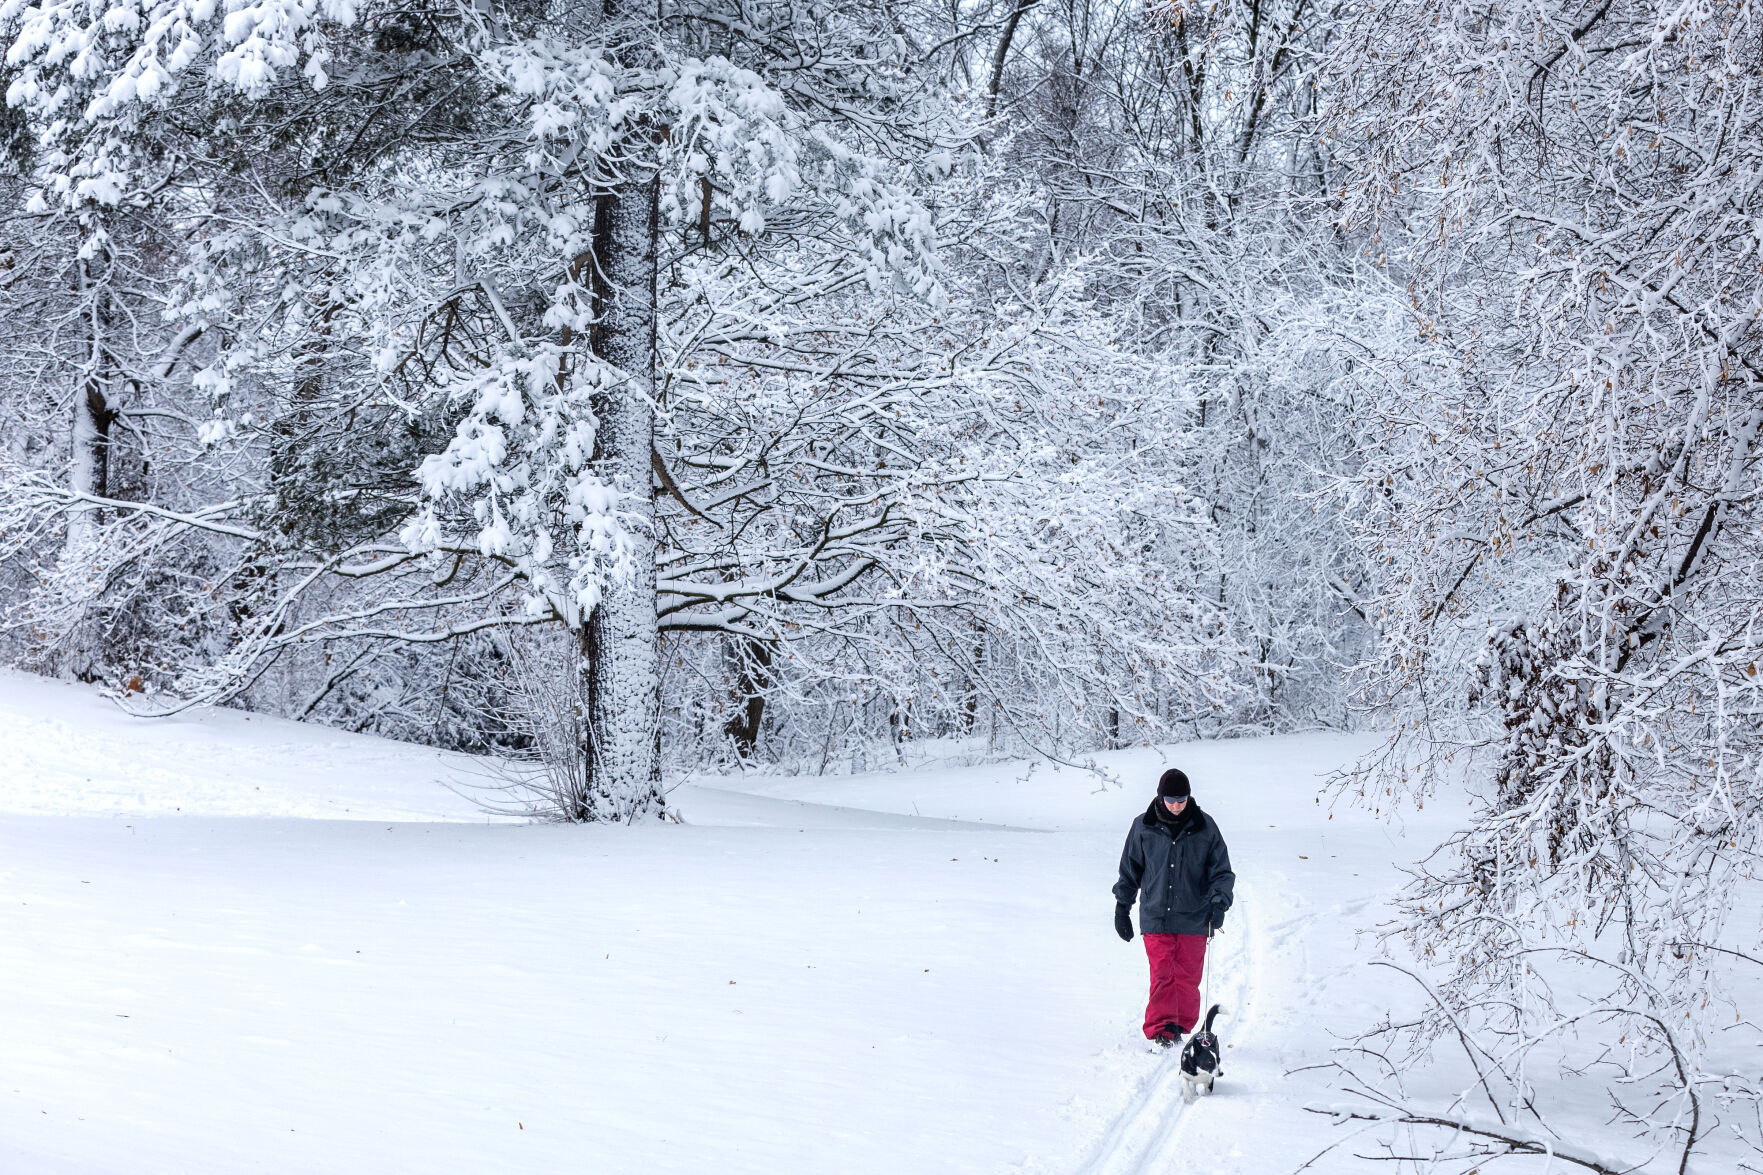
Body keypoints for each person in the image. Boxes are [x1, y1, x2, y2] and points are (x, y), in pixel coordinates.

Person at [1112, 767, 1234, 1046]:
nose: (1177, 806)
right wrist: (1122, 908)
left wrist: (1219, 902)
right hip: (1156, 914)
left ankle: (1179, 1024)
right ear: (1160, 797)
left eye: (1182, 800)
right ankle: (1162, 1029)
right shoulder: (1143, 826)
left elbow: (1221, 871)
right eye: (1171, 800)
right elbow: (1130, 870)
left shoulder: (1205, 827)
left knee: (1187, 977)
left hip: (1195, 916)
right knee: (1162, 973)